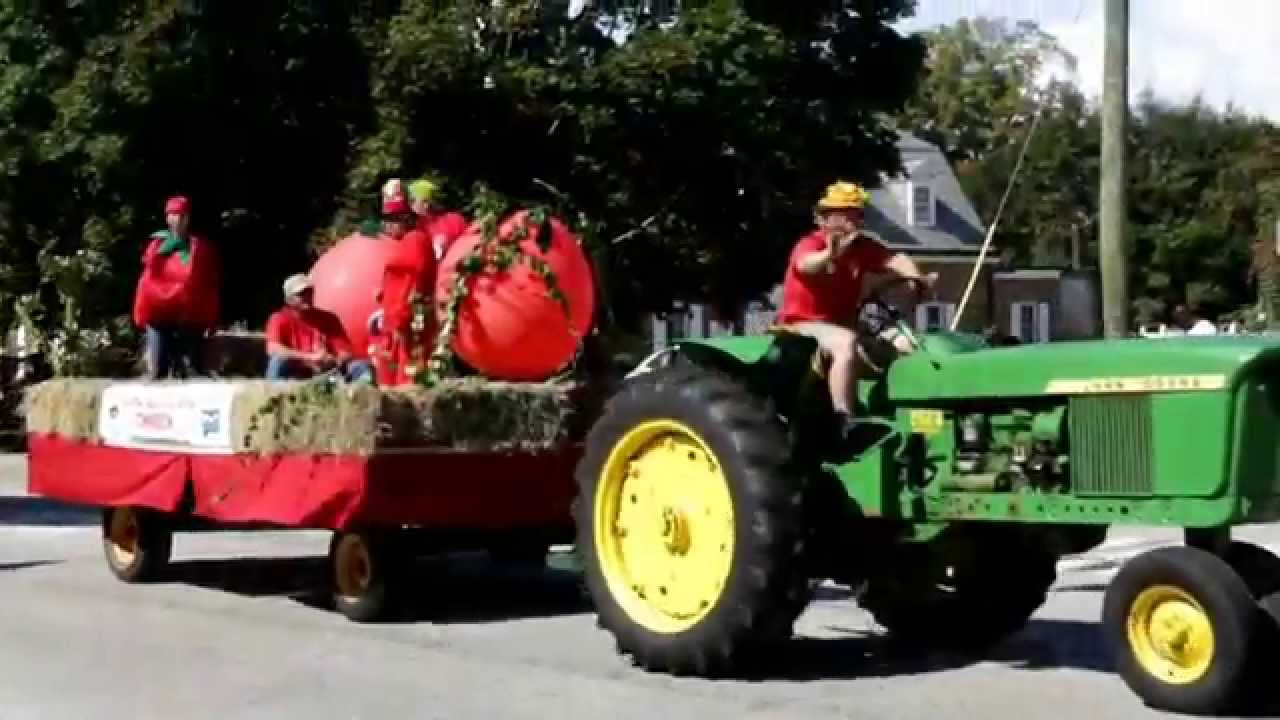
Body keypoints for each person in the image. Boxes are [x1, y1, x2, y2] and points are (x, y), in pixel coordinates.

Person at [776, 181, 934, 434]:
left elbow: (896, 259)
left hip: (844, 326)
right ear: (826, 218)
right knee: (845, 341)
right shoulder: (811, 244)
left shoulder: (863, 247)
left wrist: (917, 279)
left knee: (907, 345)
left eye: (856, 215)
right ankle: (844, 419)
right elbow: (806, 265)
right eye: (845, 214)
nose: (853, 221)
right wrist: (829, 255)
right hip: (802, 326)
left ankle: (906, 418)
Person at [132, 195, 221, 380]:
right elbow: (147, 282)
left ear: (188, 218)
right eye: (173, 215)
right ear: (167, 218)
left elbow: (208, 284)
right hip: (159, 314)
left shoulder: (200, 248)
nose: (178, 220)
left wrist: (210, 319)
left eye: (182, 215)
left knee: (191, 369)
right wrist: (142, 313)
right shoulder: (156, 246)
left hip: (189, 316)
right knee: (158, 370)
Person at [370, 179, 437, 386]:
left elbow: (413, 282)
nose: (387, 225)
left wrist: (400, 318)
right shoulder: (407, 241)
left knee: (408, 377)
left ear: (406, 218)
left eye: (392, 219)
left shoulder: (415, 240)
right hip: (398, 322)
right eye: (386, 219)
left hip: (408, 325)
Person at [265, 274, 374, 383]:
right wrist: (311, 357)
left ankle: (361, 390)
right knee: (278, 361)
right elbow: (273, 349)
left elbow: (345, 351)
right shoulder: (278, 318)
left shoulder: (328, 318)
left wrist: (334, 360)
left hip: (326, 371)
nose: (307, 297)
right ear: (288, 300)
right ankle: (276, 391)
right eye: (301, 294)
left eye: (309, 292)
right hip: (296, 371)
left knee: (361, 366)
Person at [407, 178, 470, 260]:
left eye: (412, 200)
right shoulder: (411, 228)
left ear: (427, 203)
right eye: (409, 201)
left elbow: (469, 243)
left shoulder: (454, 220)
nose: (410, 205)